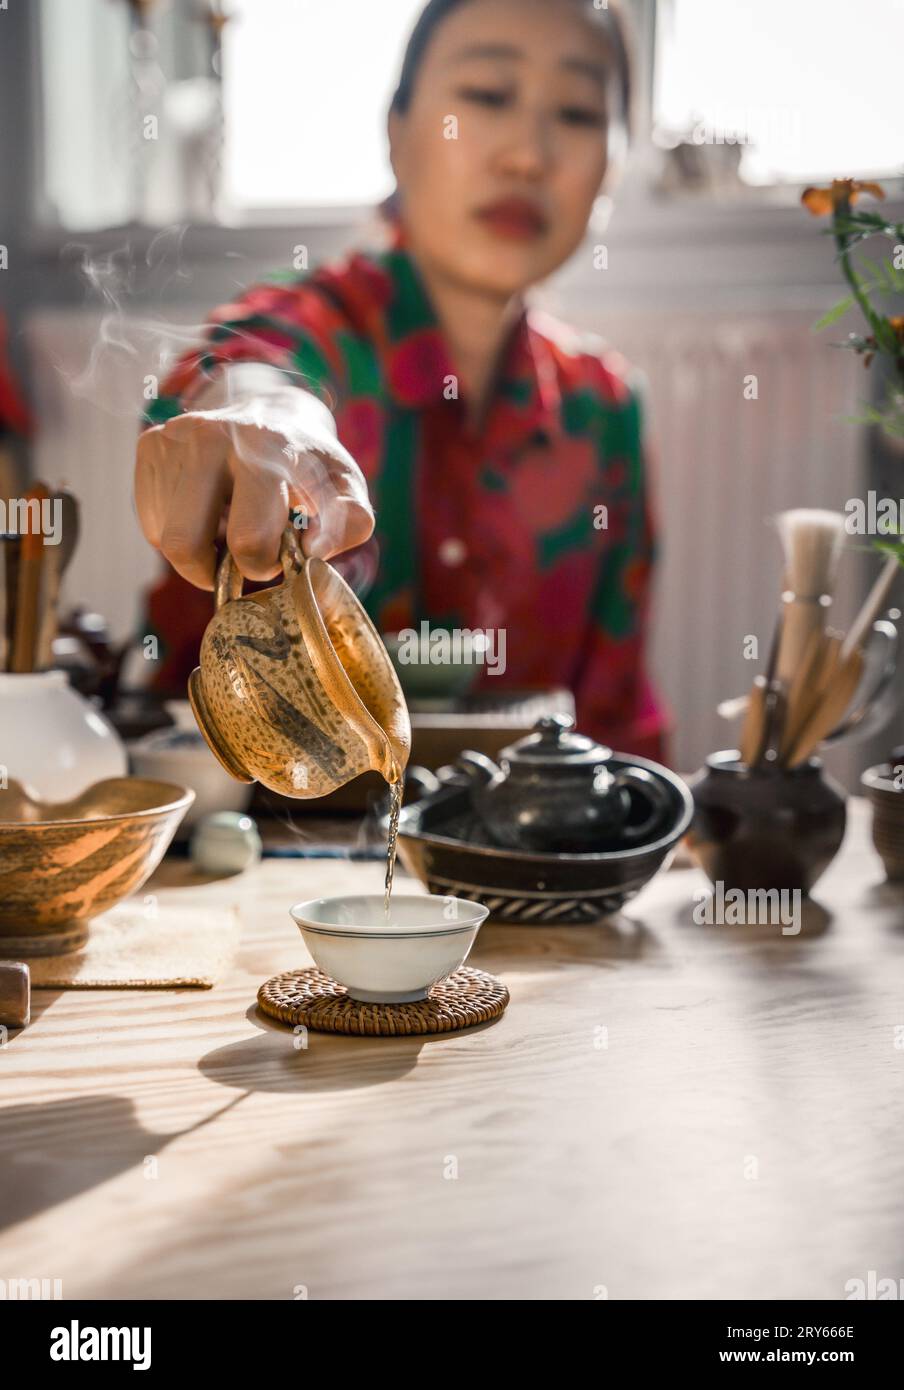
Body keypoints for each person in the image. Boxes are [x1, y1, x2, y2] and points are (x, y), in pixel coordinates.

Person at [135, 0, 668, 760]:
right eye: (487, 96)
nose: (528, 154)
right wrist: (267, 421)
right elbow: (253, 365)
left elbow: (615, 723)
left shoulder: (605, 409)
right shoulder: (316, 326)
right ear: (398, 132)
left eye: (578, 113)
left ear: (617, 162)